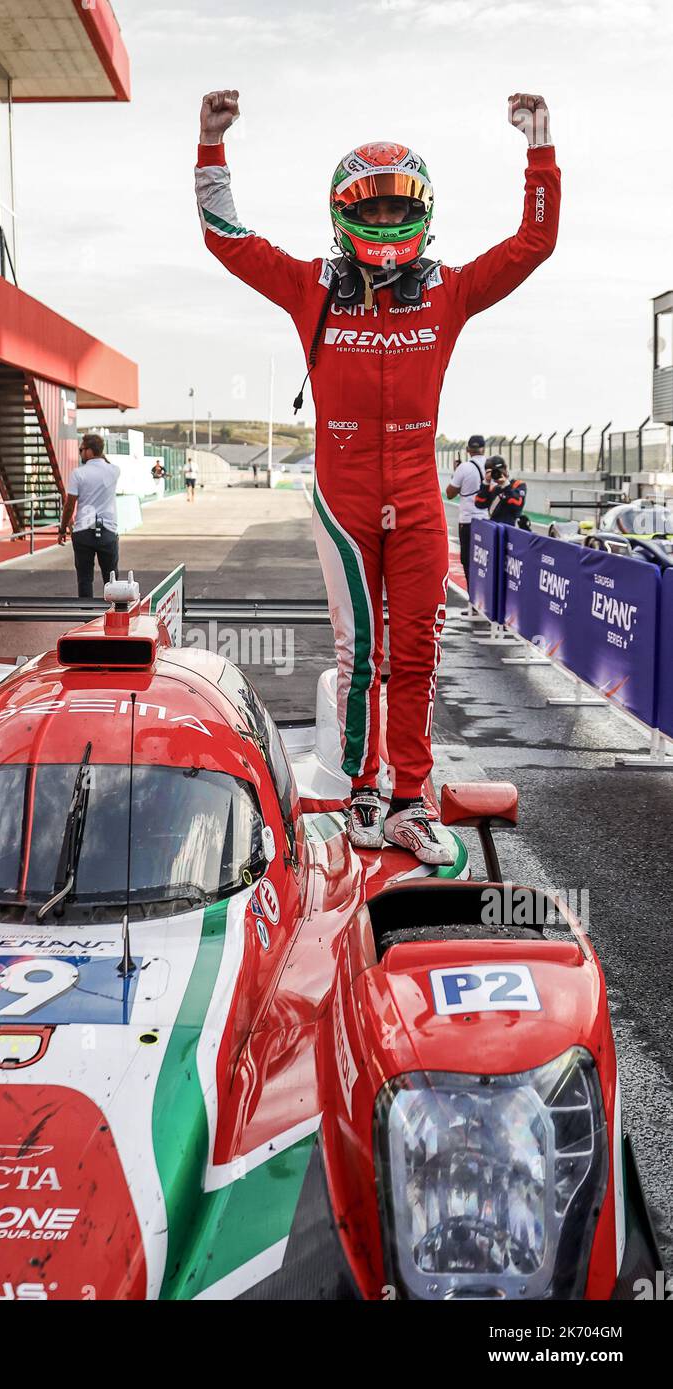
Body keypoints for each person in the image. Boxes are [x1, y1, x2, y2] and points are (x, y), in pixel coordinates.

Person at [196, 89, 559, 858]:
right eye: (376, 210)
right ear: (343, 213)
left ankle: (407, 801)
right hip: (345, 498)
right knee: (358, 656)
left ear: (423, 214)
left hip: (421, 499)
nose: (390, 223)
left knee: (419, 655)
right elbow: (227, 239)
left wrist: (539, 149)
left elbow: (534, 242)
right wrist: (210, 144)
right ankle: (362, 793)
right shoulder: (311, 288)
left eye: (402, 210)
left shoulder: (450, 290)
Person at [59, 434, 121, 598]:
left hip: (83, 532)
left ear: (89, 451)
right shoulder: (114, 471)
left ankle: (87, 616)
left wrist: (62, 528)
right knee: (111, 577)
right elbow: (104, 462)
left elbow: (69, 504)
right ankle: (115, 614)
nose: (80, 453)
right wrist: (99, 453)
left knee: (85, 579)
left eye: (81, 450)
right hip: (107, 531)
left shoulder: (78, 473)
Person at [446, 434, 488, 578]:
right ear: (484, 449)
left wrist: (456, 472)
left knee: (467, 560)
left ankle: (472, 593)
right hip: (488, 521)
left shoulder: (464, 468)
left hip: (468, 521)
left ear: (468, 449)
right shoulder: (492, 465)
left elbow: (450, 493)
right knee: (486, 560)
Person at [474, 457, 527, 526]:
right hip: (494, 528)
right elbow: (479, 504)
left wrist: (505, 485)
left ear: (505, 468)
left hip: (511, 528)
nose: (496, 474)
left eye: (498, 471)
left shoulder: (518, 484)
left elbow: (517, 505)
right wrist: (486, 482)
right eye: (493, 472)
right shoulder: (494, 488)